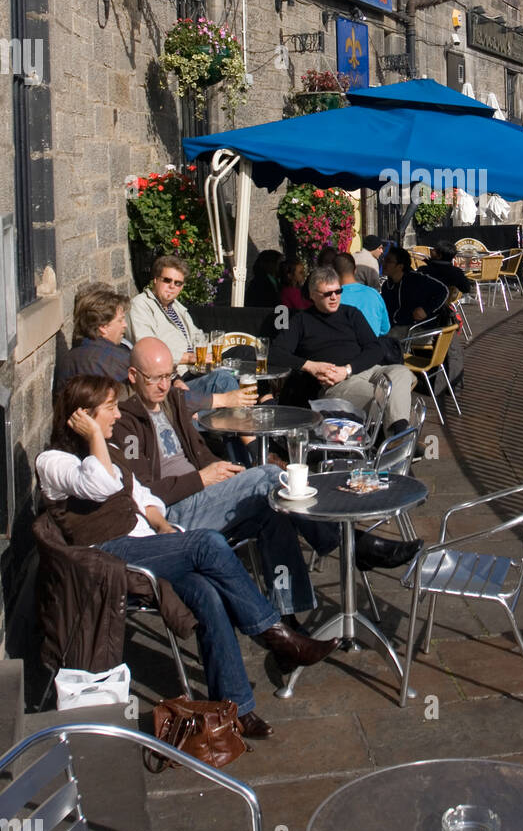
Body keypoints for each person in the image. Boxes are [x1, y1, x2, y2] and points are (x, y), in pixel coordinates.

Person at [37, 376, 337, 739]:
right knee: (208, 544)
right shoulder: (53, 461)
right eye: (110, 408)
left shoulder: (110, 451)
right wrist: (95, 437)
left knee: (207, 592)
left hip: (146, 545)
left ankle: (236, 708)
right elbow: (99, 484)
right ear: (83, 416)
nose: (117, 415)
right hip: (107, 559)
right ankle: (276, 635)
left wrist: (161, 523)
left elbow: (144, 495)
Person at [114, 337, 416, 582]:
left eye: (169, 376)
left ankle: (286, 619)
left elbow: (200, 451)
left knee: (275, 514)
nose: (164, 385)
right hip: (171, 514)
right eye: (155, 379)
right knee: (269, 476)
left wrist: (226, 470)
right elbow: (143, 491)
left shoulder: (171, 403)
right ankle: (350, 544)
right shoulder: (126, 422)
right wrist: (203, 478)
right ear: (133, 376)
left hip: (203, 492)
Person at [271, 267, 418, 448]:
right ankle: (400, 440)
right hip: (337, 383)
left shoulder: (351, 313)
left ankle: (397, 436)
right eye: (328, 293)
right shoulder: (301, 321)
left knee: (401, 372)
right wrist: (310, 366)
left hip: (363, 369)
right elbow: (276, 352)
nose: (334, 297)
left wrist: (348, 369)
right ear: (313, 295)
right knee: (388, 396)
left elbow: (375, 348)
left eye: (338, 291)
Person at [56, 283, 248, 416]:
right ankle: (252, 456)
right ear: (103, 327)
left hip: (157, 400)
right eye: (120, 320)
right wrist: (219, 400)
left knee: (222, 380)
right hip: (144, 421)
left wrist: (177, 380)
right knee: (224, 403)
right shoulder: (109, 359)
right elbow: (159, 394)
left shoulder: (83, 353)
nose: (125, 326)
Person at [128, 256, 239, 401]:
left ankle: (264, 402)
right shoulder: (141, 306)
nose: (172, 286)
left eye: (178, 283)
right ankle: (242, 419)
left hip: (196, 369)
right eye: (167, 280)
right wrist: (190, 357)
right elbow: (146, 350)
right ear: (155, 279)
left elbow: (197, 337)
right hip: (174, 376)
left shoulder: (176, 307)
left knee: (241, 355)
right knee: (223, 379)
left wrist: (216, 349)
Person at [381, 246, 450, 340]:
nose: (384, 264)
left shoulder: (416, 279)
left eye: (388, 261)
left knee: (385, 339)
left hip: (421, 329)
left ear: (400, 266)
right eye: (384, 260)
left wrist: (426, 310)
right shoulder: (386, 286)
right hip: (397, 327)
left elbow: (443, 290)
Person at [335, 252, 390, 335]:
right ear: (355, 270)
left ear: (333, 272)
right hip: (372, 345)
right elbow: (385, 329)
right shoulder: (374, 294)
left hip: (344, 345)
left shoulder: (332, 298)